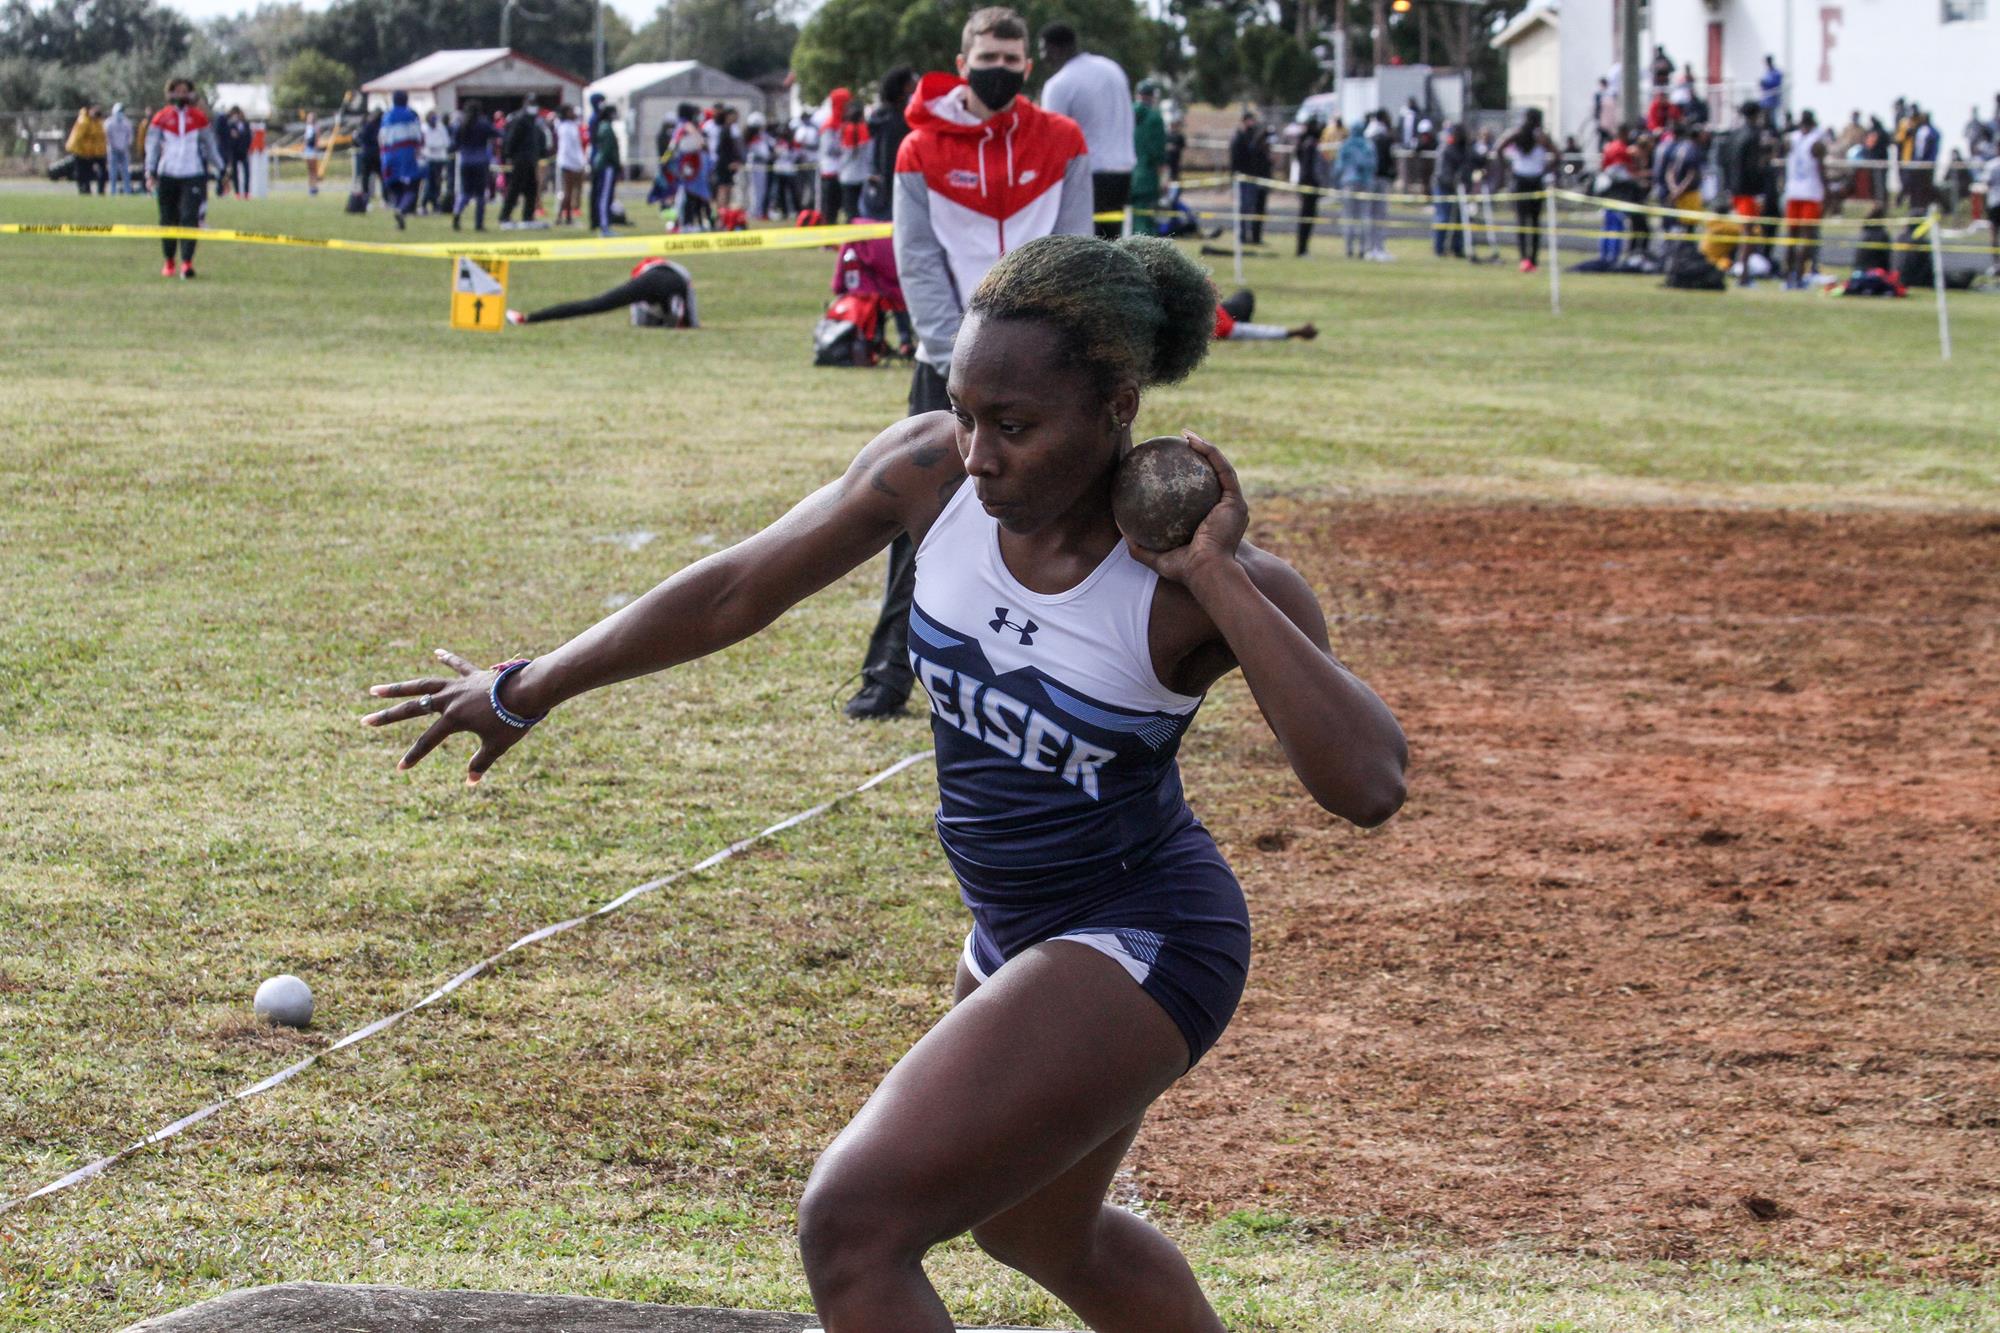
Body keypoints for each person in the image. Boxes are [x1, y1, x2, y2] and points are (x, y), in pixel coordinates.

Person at [362, 231, 1408, 1333]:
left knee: (852, 1223)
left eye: (1014, 425)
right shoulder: (926, 475)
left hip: (1142, 934)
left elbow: (1367, 780)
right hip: (1011, 932)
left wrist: (1213, 569)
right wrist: (530, 686)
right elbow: (735, 589)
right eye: (962, 409)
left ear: (1117, 407)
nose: (977, 450)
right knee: (1036, 1231)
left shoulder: (1192, 589)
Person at [841, 4, 1092, 721]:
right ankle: (888, 670)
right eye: (990, 55)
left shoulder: (1064, 141)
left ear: (1028, 67)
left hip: (1047, 370)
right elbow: (917, 259)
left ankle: (1054, 673)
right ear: (963, 60)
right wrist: (960, 361)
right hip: (947, 364)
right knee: (911, 508)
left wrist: (1059, 349)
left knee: (1060, 512)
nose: (1001, 69)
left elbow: (1074, 249)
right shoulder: (919, 148)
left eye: (1014, 60)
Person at [1037, 21, 1134, 241]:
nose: (1043, 57)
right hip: (1123, 171)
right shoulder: (1111, 68)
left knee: (1084, 249)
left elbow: (1050, 140)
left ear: (1056, 48)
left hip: (1087, 175)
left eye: (1044, 50)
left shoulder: (1059, 84)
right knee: (1113, 243)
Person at [146, 78, 223, 279]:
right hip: (167, 174)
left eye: (185, 91)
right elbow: (152, 147)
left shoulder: (199, 118)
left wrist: (222, 169)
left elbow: (211, 146)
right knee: (167, 219)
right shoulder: (160, 118)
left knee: (190, 218)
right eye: (177, 91)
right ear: (170, 94)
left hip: (193, 175)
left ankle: (187, 263)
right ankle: (169, 261)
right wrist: (150, 171)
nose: (181, 95)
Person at [506, 257, 697, 327]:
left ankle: (529, 318)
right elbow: (691, 312)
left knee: (594, 305)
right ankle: (528, 319)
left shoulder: (645, 271)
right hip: (674, 285)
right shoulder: (681, 277)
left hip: (653, 283)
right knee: (678, 320)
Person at [1501, 107, 1553, 272]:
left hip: (1522, 180)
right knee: (1533, 222)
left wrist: (1509, 168)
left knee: (1523, 221)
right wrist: (1545, 169)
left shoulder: (1520, 134)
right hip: (1532, 180)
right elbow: (1558, 155)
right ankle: (1532, 259)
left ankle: (1524, 258)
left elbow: (1498, 149)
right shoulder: (1540, 137)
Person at [1782, 109, 1829, 288]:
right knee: (1806, 238)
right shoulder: (1817, 142)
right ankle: (1800, 276)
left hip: (1793, 191)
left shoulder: (1790, 139)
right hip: (1810, 192)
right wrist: (1827, 192)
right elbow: (1821, 169)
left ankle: (1787, 276)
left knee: (1791, 236)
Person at [863, 68, 916, 219]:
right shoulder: (895, 121)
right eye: (912, 80)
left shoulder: (882, 116)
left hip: (884, 185)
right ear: (904, 86)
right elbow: (888, 158)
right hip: (892, 188)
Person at [452, 97, 501, 232]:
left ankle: (457, 212)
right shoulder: (483, 123)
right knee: (480, 195)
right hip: (480, 161)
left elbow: (454, 144)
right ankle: (478, 224)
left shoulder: (460, 124)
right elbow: (497, 133)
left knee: (465, 192)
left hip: (465, 161)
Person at [379, 91, 423, 228]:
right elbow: (417, 136)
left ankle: (399, 214)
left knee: (394, 184)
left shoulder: (386, 116)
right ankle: (402, 209)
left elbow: (381, 137)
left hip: (388, 153)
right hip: (406, 152)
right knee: (412, 185)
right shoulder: (410, 115)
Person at [1129, 78, 1167, 234]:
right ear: (1152, 96)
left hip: (1128, 175)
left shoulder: (1127, 114)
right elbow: (1158, 152)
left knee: (1131, 221)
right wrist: (1163, 178)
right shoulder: (1155, 118)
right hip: (1148, 176)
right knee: (1147, 224)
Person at [499, 96, 543, 226]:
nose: (534, 107)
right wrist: (509, 155)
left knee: (531, 189)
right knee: (515, 188)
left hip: (530, 159)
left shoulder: (532, 120)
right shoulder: (520, 119)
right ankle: (504, 216)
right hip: (520, 159)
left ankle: (528, 216)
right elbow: (512, 140)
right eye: (531, 103)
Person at [1335, 117, 1375, 259]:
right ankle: (1363, 248)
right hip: (1365, 183)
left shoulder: (1346, 145)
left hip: (1348, 182)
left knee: (1348, 216)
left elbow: (1339, 166)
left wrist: (1336, 181)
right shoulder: (1368, 145)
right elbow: (1372, 165)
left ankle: (1349, 248)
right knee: (1365, 216)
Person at [1228, 110, 1271, 244]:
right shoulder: (1239, 137)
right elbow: (1237, 158)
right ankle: (1241, 236)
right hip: (1242, 177)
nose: (1253, 123)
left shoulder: (1252, 136)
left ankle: (1249, 235)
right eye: (1250, 120)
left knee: (1250, 207)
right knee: (1243, 207)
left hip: (1252, 176)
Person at [1213, 287, 1316, 341]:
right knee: (1245, 295)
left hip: (1224, 312)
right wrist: (1294, 333)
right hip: (1228, 315)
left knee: (1244, 295)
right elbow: (1254, 332)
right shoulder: (1222, 326)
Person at [1431, 121, 1470, 258]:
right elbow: (1442, 172)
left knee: (1459, 219)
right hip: (1443, 187)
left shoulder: (1463, 149)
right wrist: (1452, 181)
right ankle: (1439, 248)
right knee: (1443, 218)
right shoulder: (1446, 148)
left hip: (1458, 188)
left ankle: (1457, 248)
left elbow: (1468, 163)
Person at [1291, 115, 1325, 256]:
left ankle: (1303, 248)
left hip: (1306, 183)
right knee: (1307, 217)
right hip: (1309, 185)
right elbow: (1308, 167)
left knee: (1307, 217)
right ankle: (1302, 249)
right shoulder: (1309, 144)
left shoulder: (1305, 142)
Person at [589, 98, 622, 238]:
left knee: (604, 196)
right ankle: (604, 226)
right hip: (606, 167)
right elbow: (609, 151)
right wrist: (617, 164)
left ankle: (604, 225)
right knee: (604, 197)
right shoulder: (606, 128)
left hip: (603, 165)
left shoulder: (603, 126)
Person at [818, 88, 850, 221]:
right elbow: (828, 149)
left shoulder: (846, 122)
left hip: (844, 173)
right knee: (830, 213)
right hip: (830, 173)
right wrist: (846, 145)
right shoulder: (830, 125)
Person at [837, 99, 871, 221]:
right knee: (860, 210)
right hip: (862, 176)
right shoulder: (863, 129)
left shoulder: (845, 130)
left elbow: (842, 152)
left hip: (847, 176)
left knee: (849, 211)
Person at [553, 104, 584, 225]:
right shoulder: (565, 128)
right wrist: (577, 162)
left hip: (574, 162)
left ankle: (566, 217)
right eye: (571, 111)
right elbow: (568, 149)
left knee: (570, 192)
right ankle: (562, 217)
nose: (573, 113)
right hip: (569, 163)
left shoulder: (571, 126)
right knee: (568, 191)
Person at [66, 105, 107, 195]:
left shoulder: (96, 122)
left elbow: (99, 138)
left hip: (92, 152)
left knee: (91, 172)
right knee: (82, 172)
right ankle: (84, 190)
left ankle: (96, 191)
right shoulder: (83, 121)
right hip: (81, 151)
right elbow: (78, 139)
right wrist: (84, 152)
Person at [421, 109, 452, 215]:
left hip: (439, 159)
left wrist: (435, 146)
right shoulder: (424, 128)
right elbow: (426, 144)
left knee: (437, 183)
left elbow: (446, 142)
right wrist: (435, 145)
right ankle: (424, 204)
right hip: (428, 159)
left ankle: (435, 205)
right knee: (429, 183)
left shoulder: (441, 128)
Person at [221, 107, 252, 196]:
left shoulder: (246, 124)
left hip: (244, 152)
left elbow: (249, 138)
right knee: (235, 174)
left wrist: (246, 148)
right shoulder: (231, 126)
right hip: (234, 152)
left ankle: (246, 192)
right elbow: (227, 139)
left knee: (247, 173)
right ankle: (237, 193)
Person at [354, 108, 382, 203]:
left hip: (367, 153)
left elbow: (360, 138)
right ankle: (385, 197)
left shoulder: (367, 126)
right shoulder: (379, 126)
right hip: (376, 153)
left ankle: (366, 195)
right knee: (380, 176)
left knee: (366, 176)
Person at [104, 103, 133, 194]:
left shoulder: (127, 123)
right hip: (113, 150)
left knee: (125, 171)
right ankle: (113, 191)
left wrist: (126, 145)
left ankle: (127, 191)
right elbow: (107, 136)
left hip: (124, 150)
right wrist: (112, 145)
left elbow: (130, 136)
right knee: (113, 172)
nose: (120, 113)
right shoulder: (109, 123)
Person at [301, 111, 323, 196]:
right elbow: (306, 140)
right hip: (307, 149)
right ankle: (310, 188)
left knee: (314, 170)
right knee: (310, 170)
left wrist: (316, 150)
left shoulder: (316, 127)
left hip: (312, 150)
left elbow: (317, 140)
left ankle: (315, 187)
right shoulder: (307, 127)